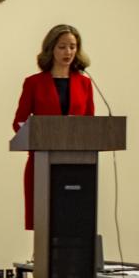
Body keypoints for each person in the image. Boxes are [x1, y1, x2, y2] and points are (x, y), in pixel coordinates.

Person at [12, 24, 94, 230]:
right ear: (51, 49)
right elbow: (19, 122)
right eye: (62, 47)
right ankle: (40, 259)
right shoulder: (34, 83)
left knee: (73, 218)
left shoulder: (85, 83)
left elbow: (91, 123)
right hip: (42, 160)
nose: (68, 52)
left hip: (76, 162)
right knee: (43, 218)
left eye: (73, 47)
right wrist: (41, 132)